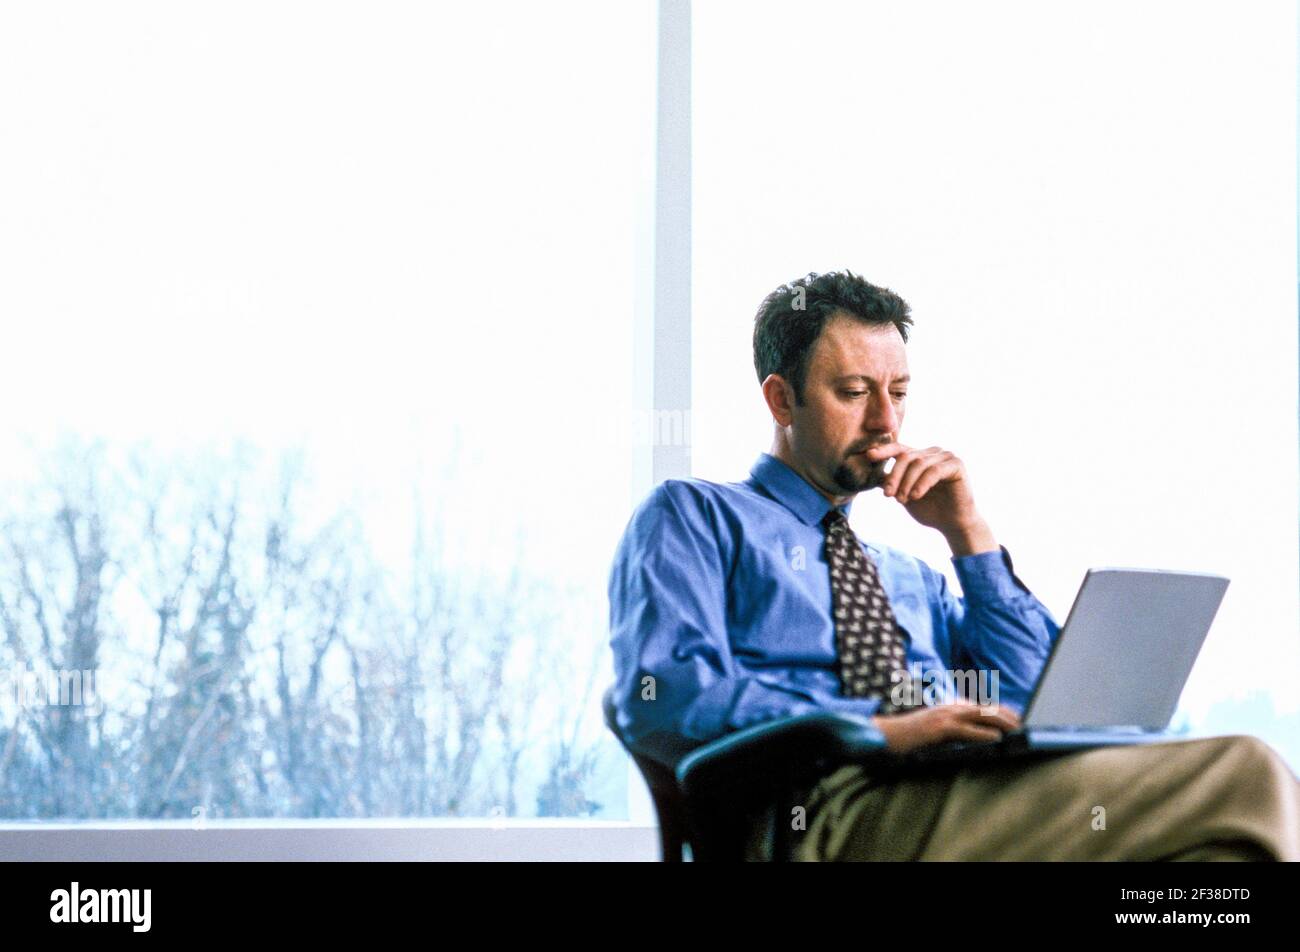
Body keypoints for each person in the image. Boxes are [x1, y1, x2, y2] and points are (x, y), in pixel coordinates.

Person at [606, 269, 1300, 861]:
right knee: (1248, 772)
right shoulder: (695, 517)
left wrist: (970, 537)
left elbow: (1043, 702)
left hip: (963, 795)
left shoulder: (911, 577)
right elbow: (661, 694)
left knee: (1218, 856)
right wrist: (874, 730)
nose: (886, 422)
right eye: (854, 392)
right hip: (825, 813)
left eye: (898, 392)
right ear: (781, 398)